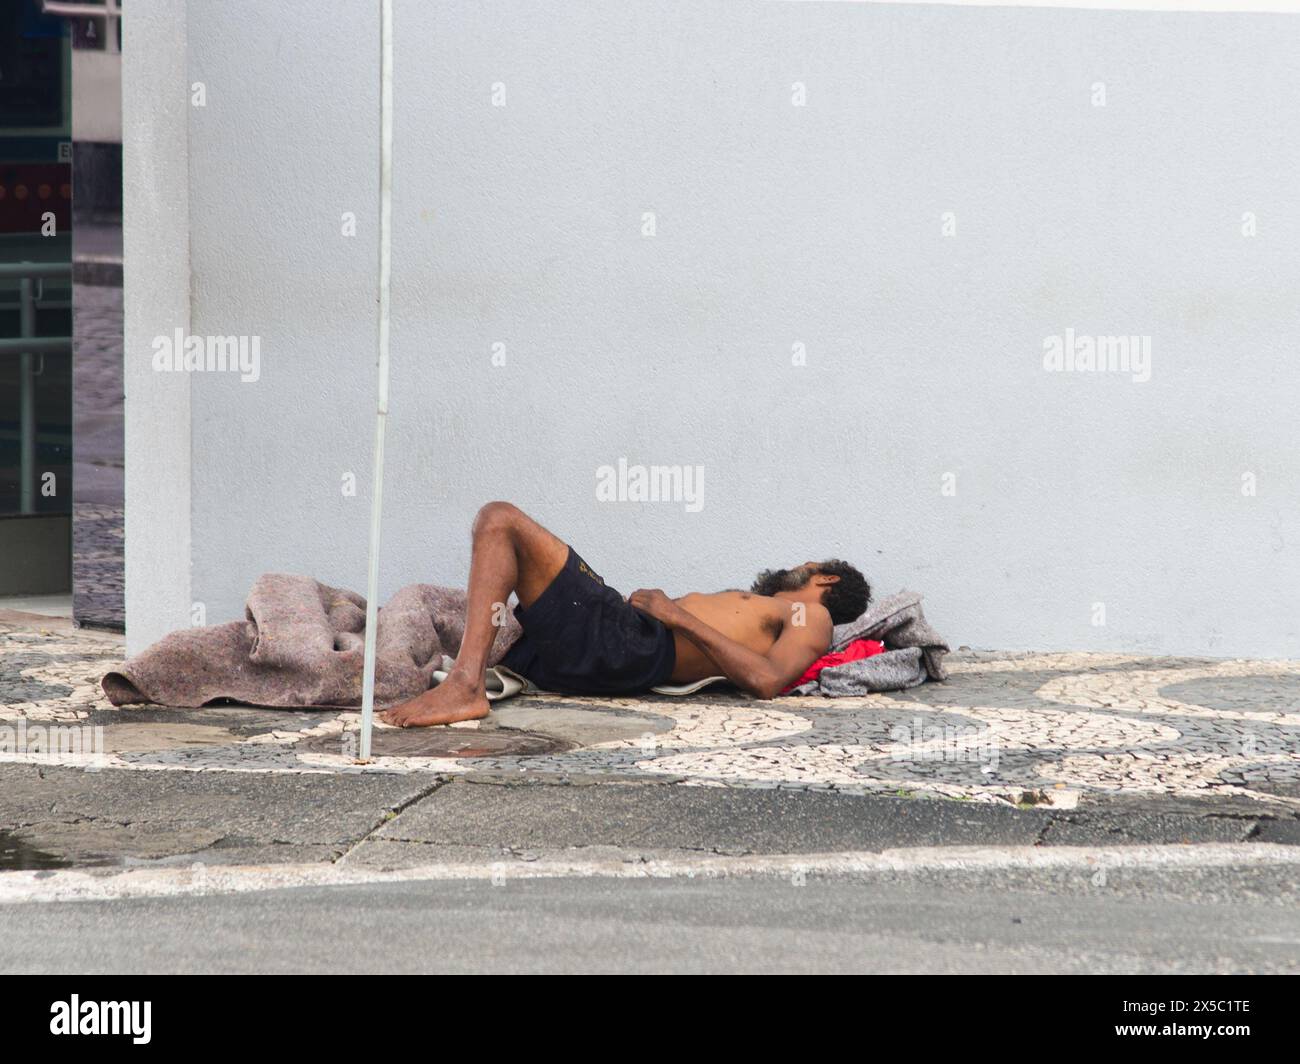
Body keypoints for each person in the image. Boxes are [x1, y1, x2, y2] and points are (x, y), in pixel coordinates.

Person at [381, 502, 869, 727]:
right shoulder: (772, 609)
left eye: (806, 566)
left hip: (635, 644)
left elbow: (765, 681)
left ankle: (465, 685)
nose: (795, 567)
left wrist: (674, 616)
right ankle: (470, 673)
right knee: (501, 535)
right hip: (625, 637)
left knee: (499, 521)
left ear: (824, 580)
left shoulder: (811, 618)